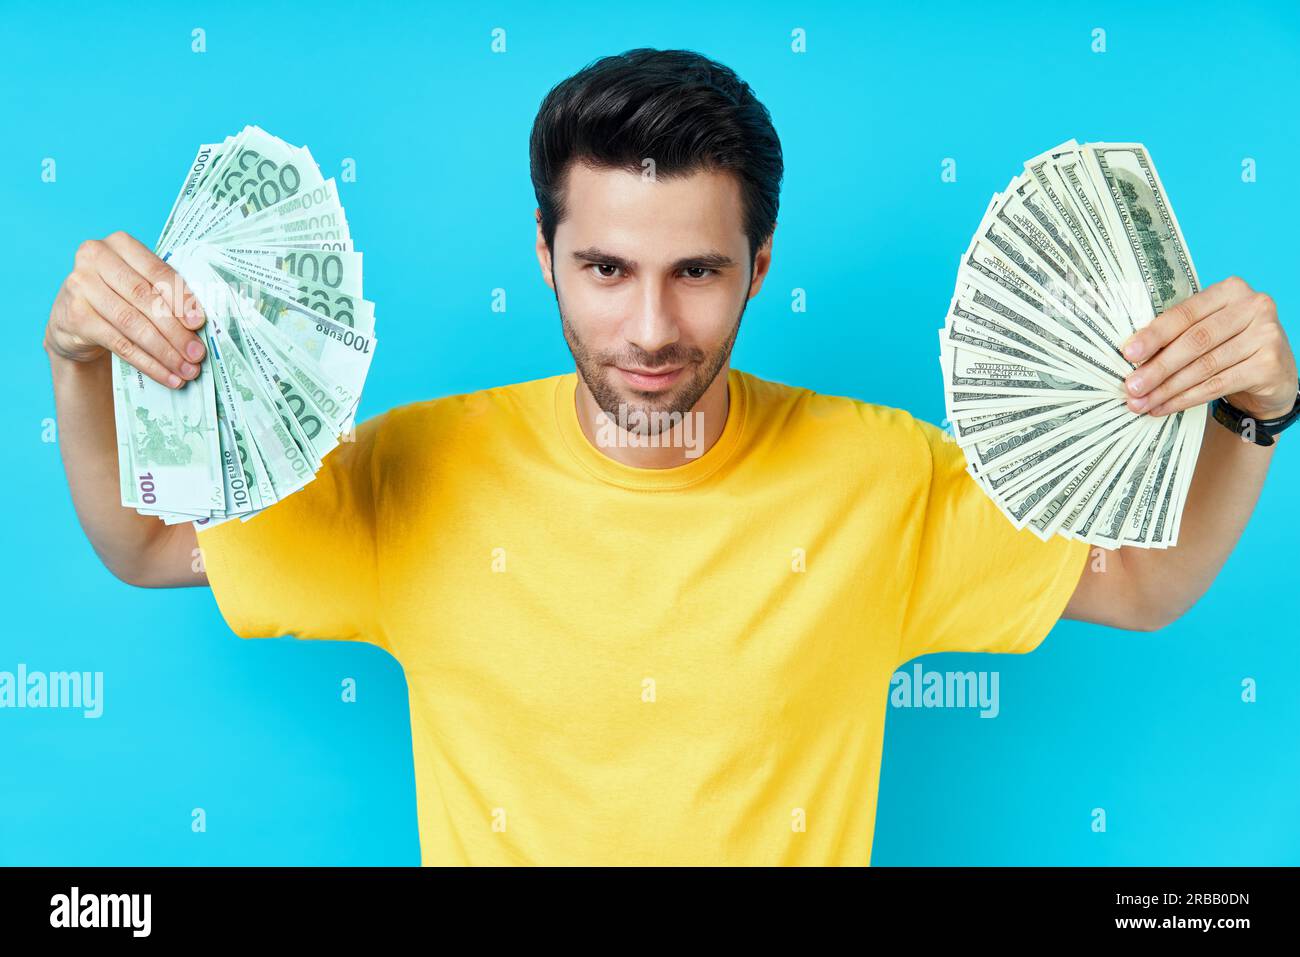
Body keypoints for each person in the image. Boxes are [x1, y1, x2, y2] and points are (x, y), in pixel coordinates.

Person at [43, 48, 1297, 866]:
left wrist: (1255, 414)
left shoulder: (880, 479)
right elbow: (149, 544)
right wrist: (79, 367)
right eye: (604, 269)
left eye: (696, 271)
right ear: (545, 257)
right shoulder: (408, 474)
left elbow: (1139, 585)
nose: (649, 330)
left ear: (757, 267)